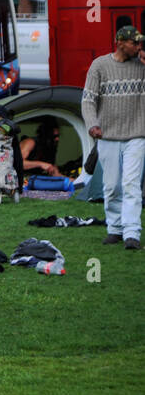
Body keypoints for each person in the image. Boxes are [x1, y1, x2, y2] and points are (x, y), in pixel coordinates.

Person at [82, 25, 145, 250]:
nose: (139, 47)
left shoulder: (142, 66)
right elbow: (88, 100)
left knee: (131, 184)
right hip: (108, 135)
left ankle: (132, 232)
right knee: (111, 186)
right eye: (134, 43)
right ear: (120, 42)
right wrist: (92, 125)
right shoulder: (100, 66)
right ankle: (114, 228)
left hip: (137, 134)